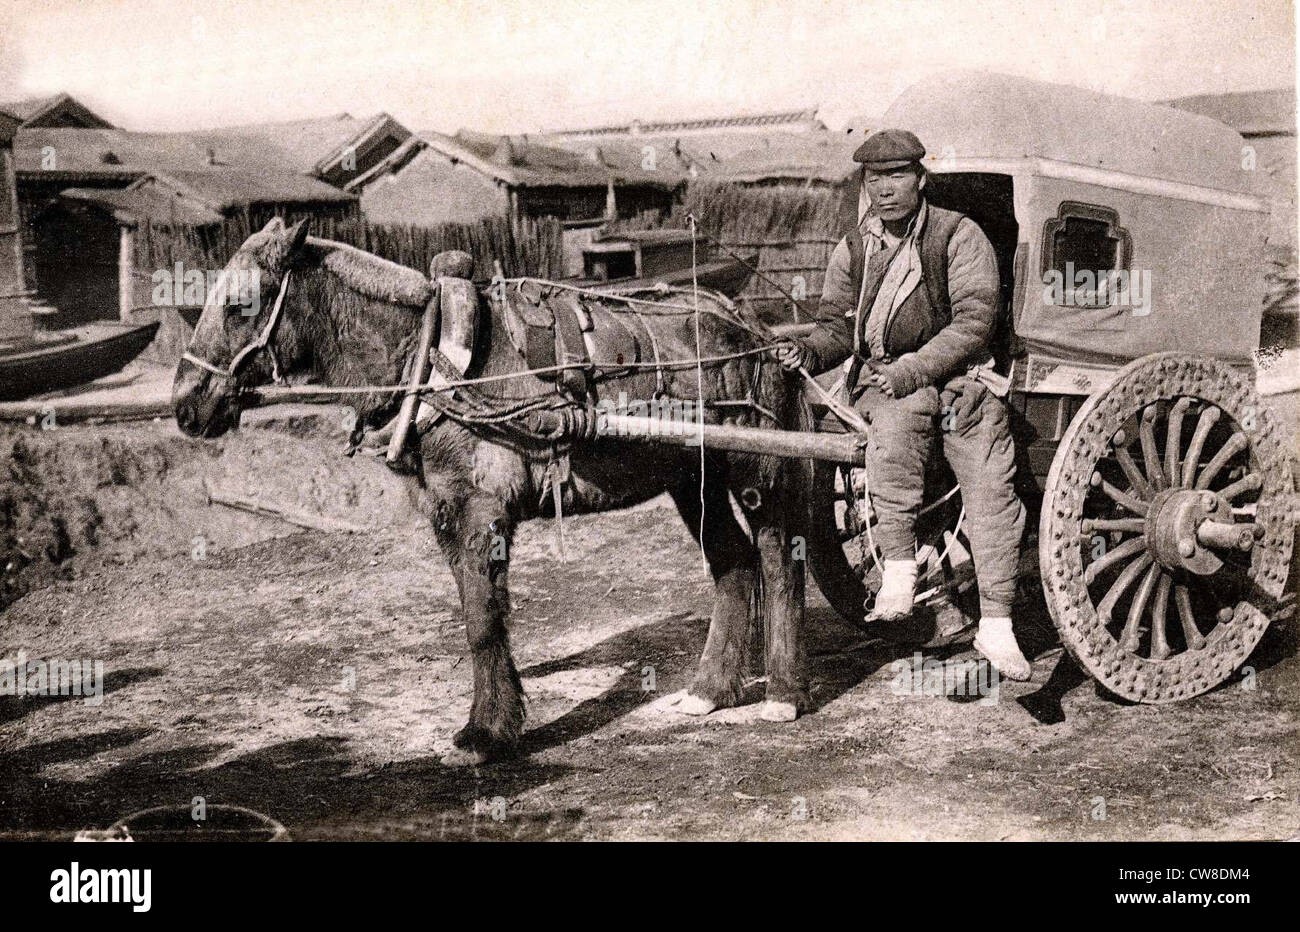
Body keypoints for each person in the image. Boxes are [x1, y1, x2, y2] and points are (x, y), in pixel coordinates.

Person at [775, 128, 1031, 681]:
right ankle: (898, 570)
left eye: (896, 176)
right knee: (893, 430)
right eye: (874, 178)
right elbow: (836, 329)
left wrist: (912, 368)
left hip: (965, 381)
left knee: (991, 485)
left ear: (920, 179)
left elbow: (973, 323)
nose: (884, 190)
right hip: (893, 389)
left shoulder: (959, 237)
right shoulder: (855, 249)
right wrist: (806, 350)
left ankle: (998, 623)